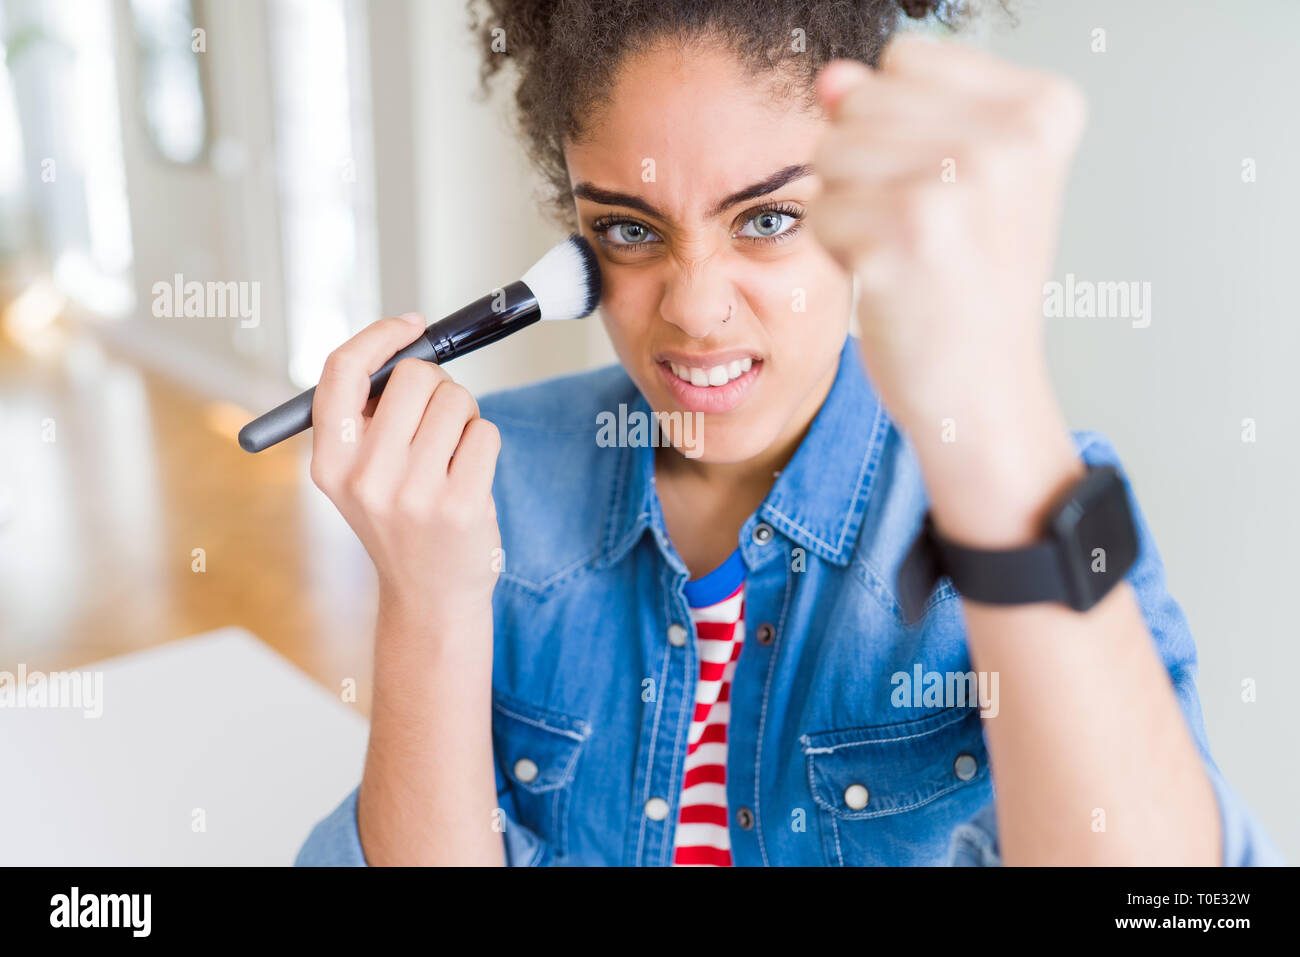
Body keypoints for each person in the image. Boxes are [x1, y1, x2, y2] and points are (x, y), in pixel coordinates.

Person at [295, 0, 1281, 865]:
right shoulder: (491, 484)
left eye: (765, 220)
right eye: (631, 230)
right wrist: (427, 606)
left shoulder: (1023, 495)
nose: (697, 311)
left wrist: (994, 419)